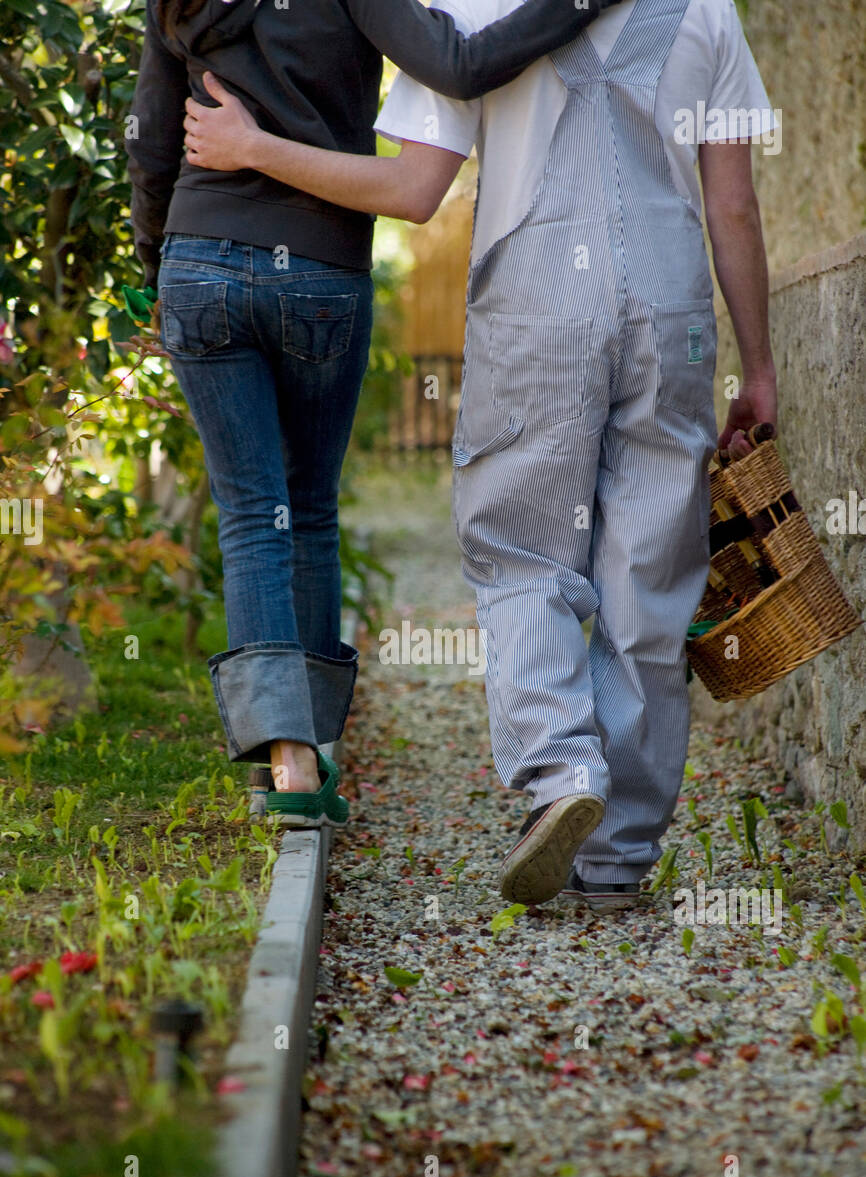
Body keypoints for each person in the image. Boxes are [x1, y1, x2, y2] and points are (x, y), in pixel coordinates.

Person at [182, 0, 778, 909]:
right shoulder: (706, 10)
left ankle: (559, 772)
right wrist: (759, 366)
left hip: (539, 304)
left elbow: (414, 191)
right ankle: (617, 861)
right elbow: (731, 203)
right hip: (674, 309)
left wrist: (255, 149)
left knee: (522, 550)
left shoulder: (470, 12)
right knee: (652, 575)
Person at [125, 0, 622, 828]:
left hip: (199, 260)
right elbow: (461, 66)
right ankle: (307, 756)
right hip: (319, 271)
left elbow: (148, 140)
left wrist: (161, 259)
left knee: (251, 511)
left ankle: (284, 763)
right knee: (307, 508)